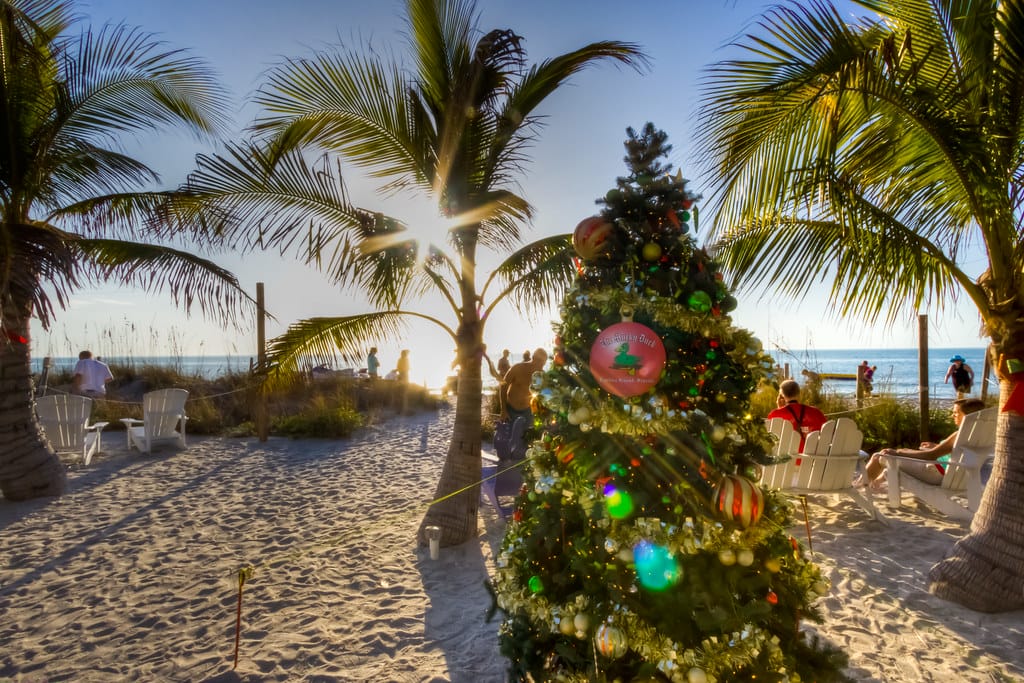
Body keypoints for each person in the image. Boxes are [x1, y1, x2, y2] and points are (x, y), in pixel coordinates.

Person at [857, 398, 986, 490]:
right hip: (954, 473)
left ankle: (858, 486)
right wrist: (937, 446)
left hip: (936, 473)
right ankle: (873, 484)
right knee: (903, 451)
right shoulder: (979, 435)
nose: (953, 416)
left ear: (968, 416)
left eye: (956, 413)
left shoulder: (960, 434)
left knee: (880, 456)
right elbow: (958, 452)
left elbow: (930, 456)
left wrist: (898, 453)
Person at [766, 379, 827, 451]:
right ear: (798, 393)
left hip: (787, 460)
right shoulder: (816, 412)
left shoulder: (775, 414)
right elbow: (826, 435)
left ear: (782, 395)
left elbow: (770, 437)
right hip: (812, 459)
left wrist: (779, 408)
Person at [502, 347, 548, 424]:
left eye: (544, 363)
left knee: (527, 435)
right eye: (540, 361)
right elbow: (503, 386)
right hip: (510, 410)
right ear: (533, 358)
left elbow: (544, 395)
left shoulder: (542, 375)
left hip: (528, 412)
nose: (541, 365)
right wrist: (503, 410)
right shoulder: (517, 368)